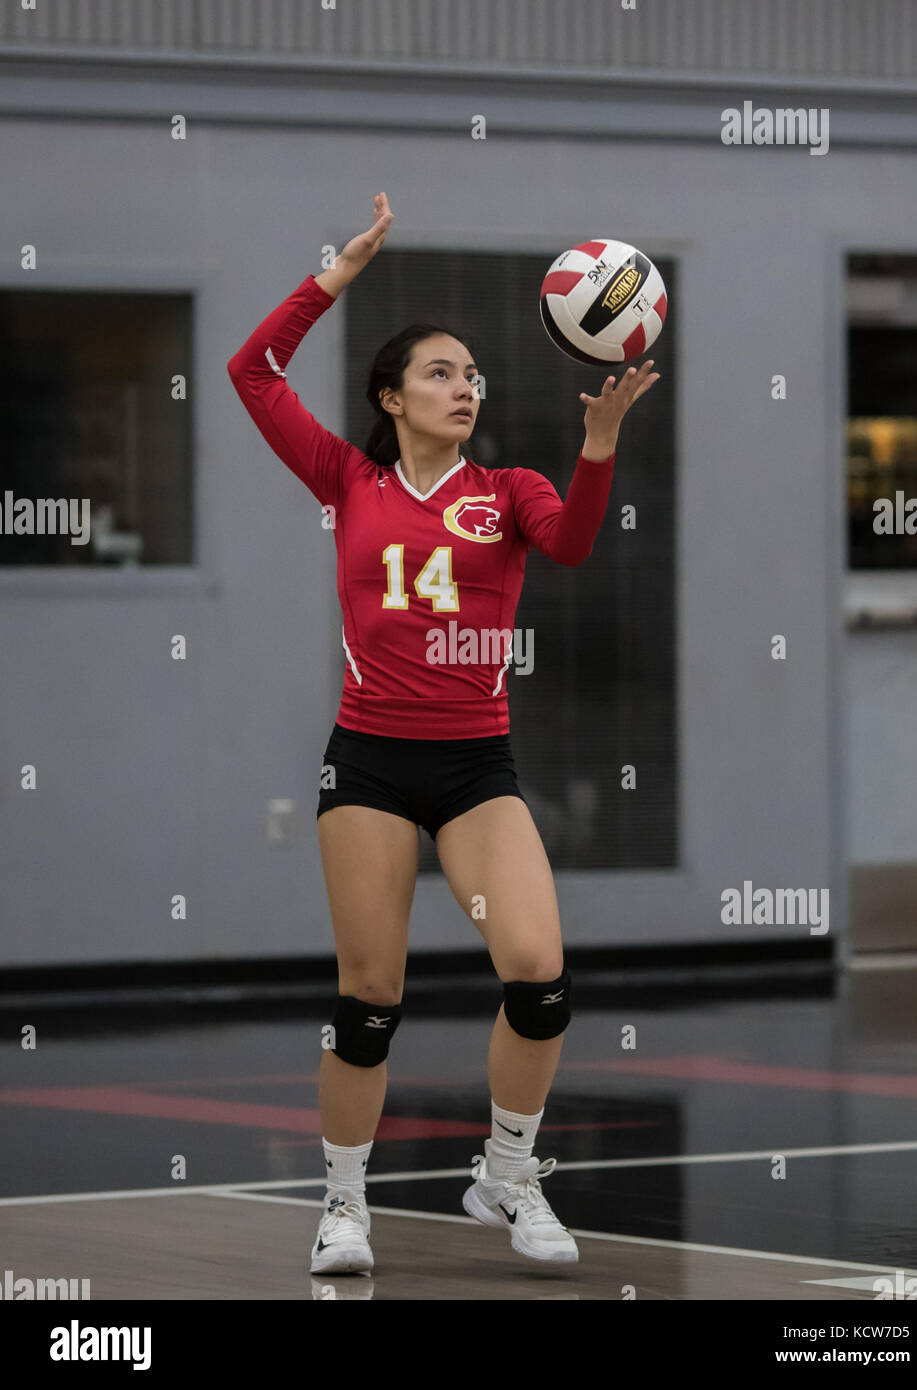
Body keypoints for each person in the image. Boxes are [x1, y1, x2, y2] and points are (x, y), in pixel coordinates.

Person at [227, 192, 660, 1275]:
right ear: (392, 395)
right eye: (440, 372)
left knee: (540, 974)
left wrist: (597, 446)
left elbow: (568, 547)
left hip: (476, 765)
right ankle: (343, 1205)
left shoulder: (509, 492)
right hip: (369, 759)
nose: (465, 386)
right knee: (369, 999)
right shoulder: (347, 478)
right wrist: (336, 273)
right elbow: (251, 373)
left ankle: (507, 1174)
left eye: (474, 374)